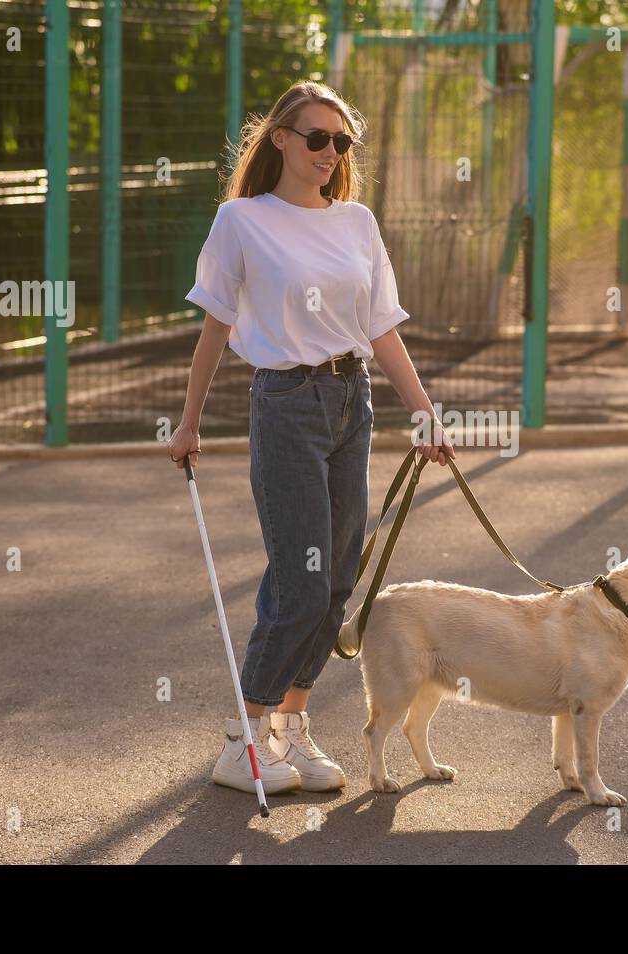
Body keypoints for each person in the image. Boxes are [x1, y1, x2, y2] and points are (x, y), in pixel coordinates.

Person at [166, 81, 455, 795]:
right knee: (298, 581)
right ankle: (243, 737)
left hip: (350, 399)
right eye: (317, 138)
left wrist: (424, 412)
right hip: (286, 402)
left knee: (337, 586)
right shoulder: (242, 221)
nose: (330, 152)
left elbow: (381, 328)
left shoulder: (356, 222)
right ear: (282, 140)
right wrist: (189, 420)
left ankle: (291, 729)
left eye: (342, 141)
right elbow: (213, 325)